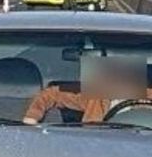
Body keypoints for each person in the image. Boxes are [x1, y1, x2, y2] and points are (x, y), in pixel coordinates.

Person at [23, 53, 152, 124]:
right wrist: (32, 117)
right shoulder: (95, 94)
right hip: (93, 149)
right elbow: (51, 94)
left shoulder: (147, 94)